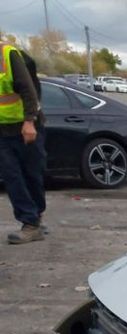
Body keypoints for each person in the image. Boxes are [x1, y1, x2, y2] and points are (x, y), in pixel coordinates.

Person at [0, 42, 46, 244]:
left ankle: (36, 216)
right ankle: (30, 223)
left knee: (32, 174)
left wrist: (29, 121)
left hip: (26, 126)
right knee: (12, 176)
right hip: (2, 130)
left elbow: (28, 89)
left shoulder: (8, 55)